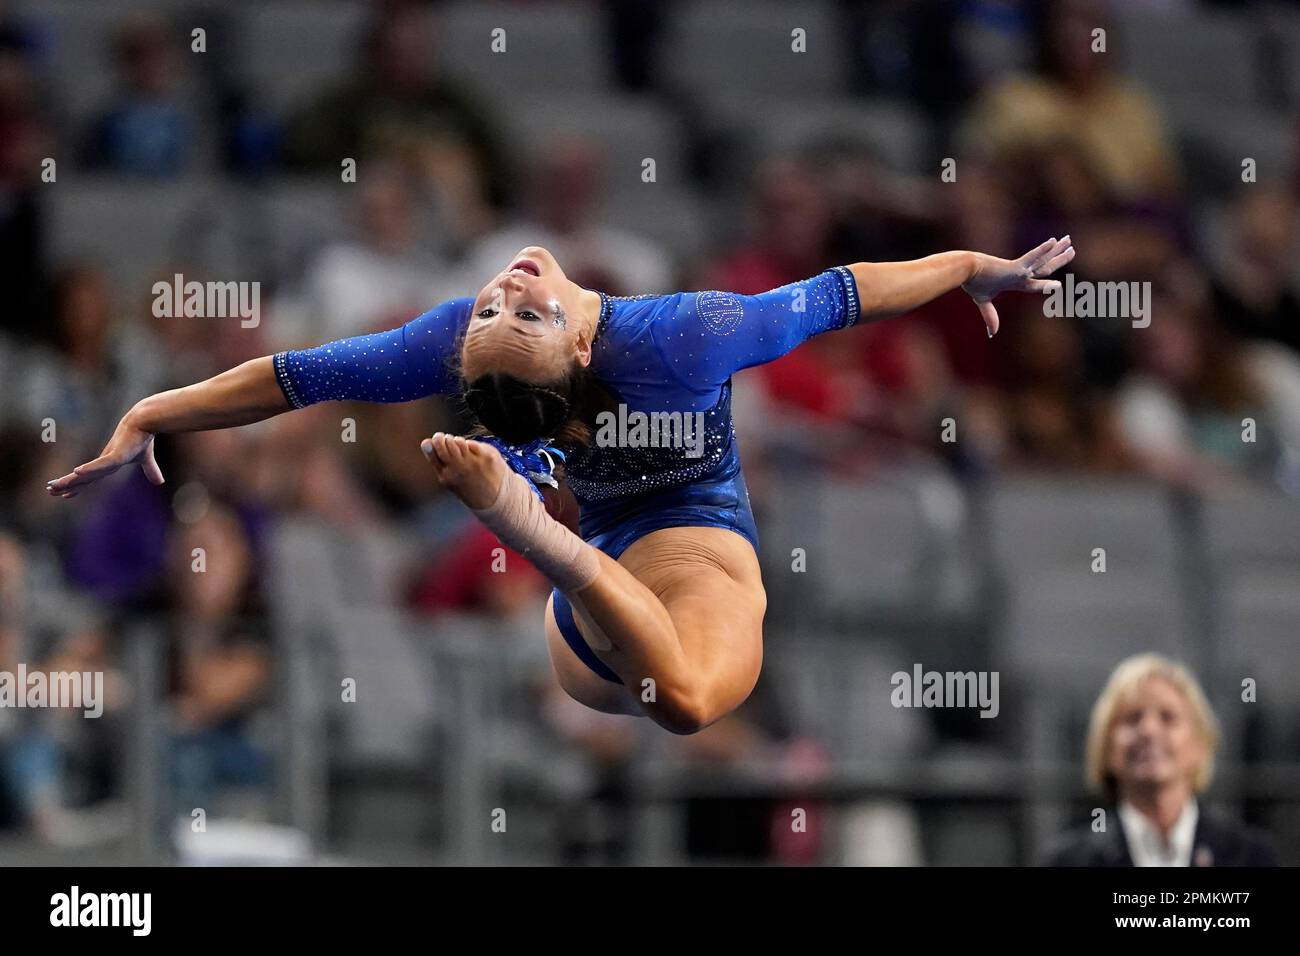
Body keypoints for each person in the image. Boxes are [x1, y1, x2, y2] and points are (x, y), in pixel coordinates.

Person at [48, 239, 1075, 734]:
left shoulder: (685, 334)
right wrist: (157, 411)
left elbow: (847, 290)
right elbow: (291, 377)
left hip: (682, 551)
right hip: (616, 580)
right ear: (577, 339)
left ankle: (529, 527)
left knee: (687, 696)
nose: (507, 287)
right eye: (509, 311)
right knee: (670, 689)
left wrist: (969, 266)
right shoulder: (655, 339)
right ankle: (535, 530)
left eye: (504, 306)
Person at [1043, 653, 1276, 867]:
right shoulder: (1067, 861)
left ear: (1200, 744)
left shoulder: (1250, 857)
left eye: (1168, 717)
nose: (1148, 731)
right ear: (1106, 747)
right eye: (1132, 719)